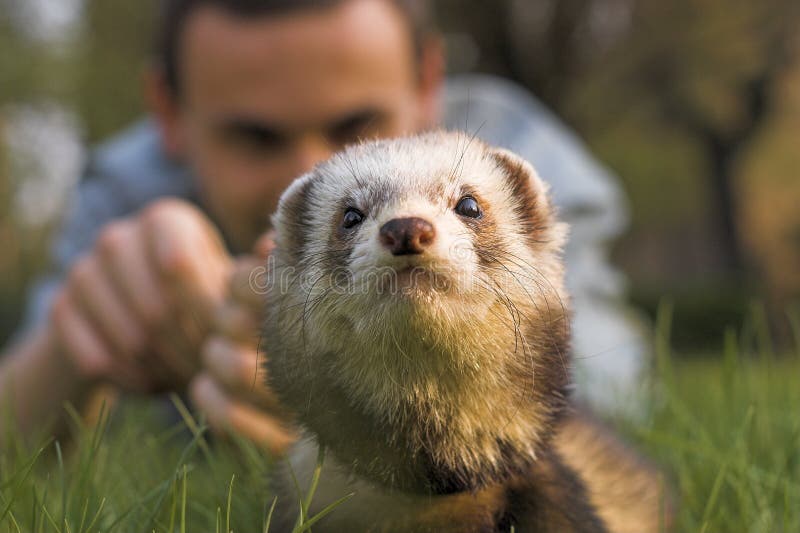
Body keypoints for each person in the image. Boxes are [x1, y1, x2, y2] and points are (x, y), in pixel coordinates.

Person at [0, 0, 645, 451]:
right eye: (255, 138)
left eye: (355, 127)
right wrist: (72, 344)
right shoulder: (123, 191)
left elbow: (612, 395)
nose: (312, 175)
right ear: (169, 113)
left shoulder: (511, 159)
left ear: (428, 84)